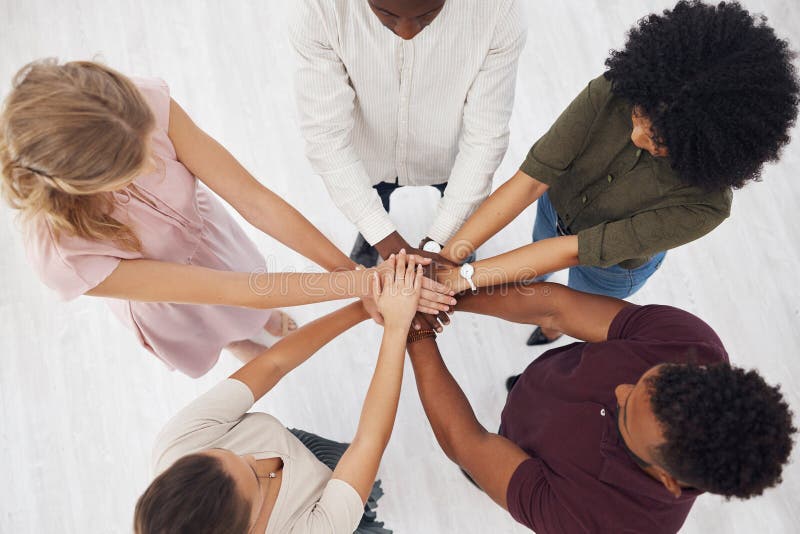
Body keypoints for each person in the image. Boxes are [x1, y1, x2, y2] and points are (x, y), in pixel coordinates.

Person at [0, 59, 455, 377]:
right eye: (133, 167)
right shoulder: (63, 256)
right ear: (81, 185)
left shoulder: (132, 105)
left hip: (208, 235)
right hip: (170, 297)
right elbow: (230, 291)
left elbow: (253, 199)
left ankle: (253, 328)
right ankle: (236, 341)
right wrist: (364, 285)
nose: (154, 161)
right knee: (215, 321)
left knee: (247, 288)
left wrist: (348, 272)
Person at [436, 0, 800, 345]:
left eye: (658, 141)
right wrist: (449, 257)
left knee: (567, 307)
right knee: (534, 267)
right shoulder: (613, 91)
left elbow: (576, 251)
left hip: (611, 268)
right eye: (638, 115)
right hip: (554, 209)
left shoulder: (705, 207)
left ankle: (551, 333)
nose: (635, 135)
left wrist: (462, 279)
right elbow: (530, 180)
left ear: (708, 144)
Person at [407, 283, 796, 533]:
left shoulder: (596, 523)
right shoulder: (691, 342)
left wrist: (416, 329)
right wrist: (444, 295)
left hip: (518, 449)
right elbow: (555, 309)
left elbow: (467, 441)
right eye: (646, 379)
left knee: (484, 464)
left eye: (627, 415)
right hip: (540, 383)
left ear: (669, 480)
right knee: (527, 388)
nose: (621, 390)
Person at [134, 250, 430, 534]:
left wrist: (361, 309)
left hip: (307, 453)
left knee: (351, 473)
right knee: (358, 491)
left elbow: (273, 363)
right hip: (326, 513)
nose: (256, 459)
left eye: (225, 452)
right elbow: (368, 442)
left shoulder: (179, 441)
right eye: (252, 474)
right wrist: (396, 327)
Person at [290, 0, 526, 267]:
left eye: (428, 14)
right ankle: (370, 237)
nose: (407, 32)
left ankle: (458, 241)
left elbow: (486, 138)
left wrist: (440, 243)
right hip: (370, 154)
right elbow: (325, 136)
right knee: (373, 200)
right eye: (386, 13)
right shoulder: (320, 8)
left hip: (451, 154)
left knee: (460, 216)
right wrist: (383, 237)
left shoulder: (498, 10)